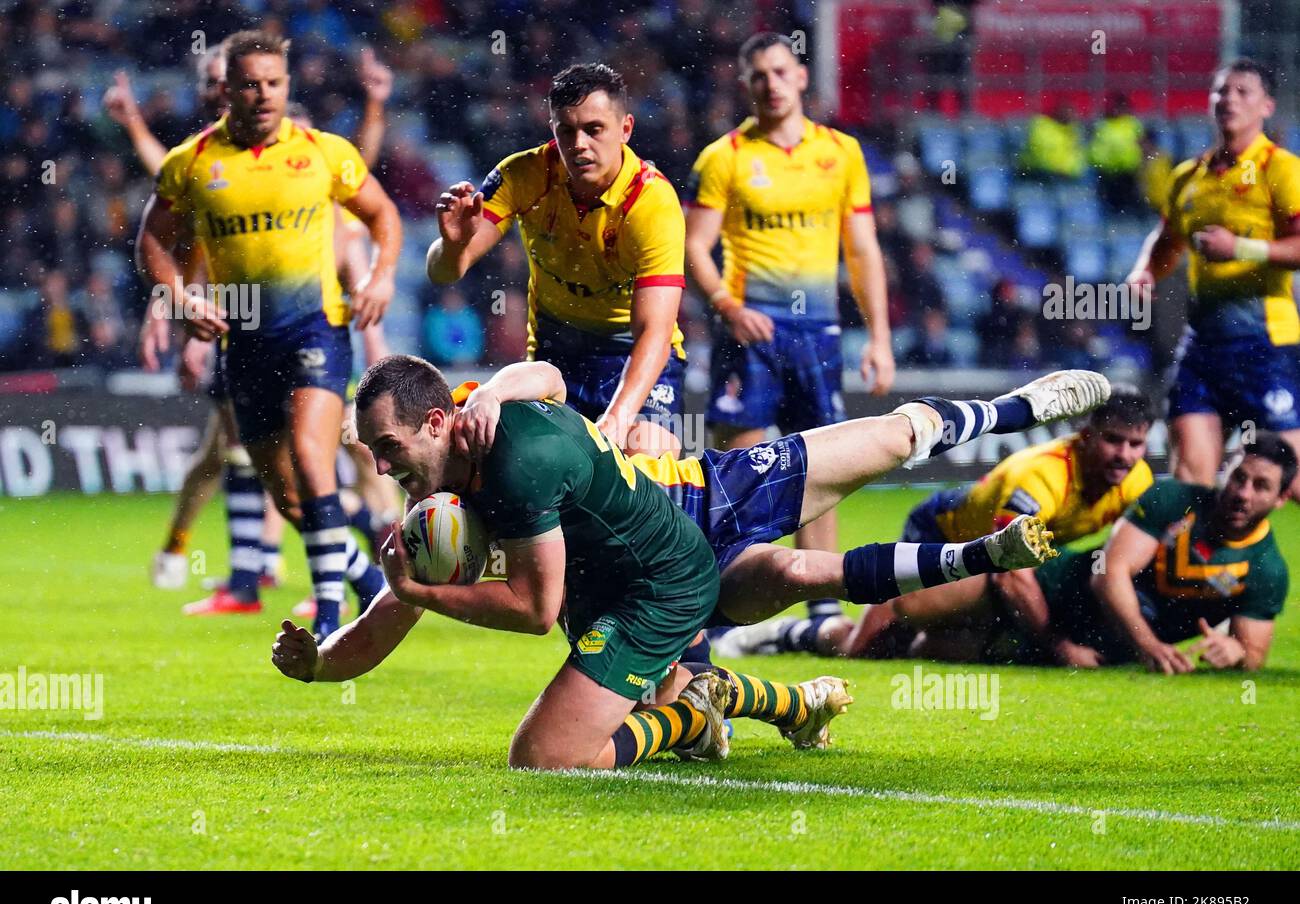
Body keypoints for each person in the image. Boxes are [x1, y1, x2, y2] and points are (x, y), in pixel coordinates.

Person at [274, 355, 857, 769]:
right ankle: (794, 703)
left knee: (549, 756)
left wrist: (493, 392)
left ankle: (698, 720)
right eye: (372, 451)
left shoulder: (503, 448)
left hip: (653, 579)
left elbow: (532, 609)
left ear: (435, 424)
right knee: (662, 694)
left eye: (387, 447)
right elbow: (386, 614)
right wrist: (319, 664)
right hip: (600, 588)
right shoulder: (433, 498)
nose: (378, 468)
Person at [447, 362, 1112, 631]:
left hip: (716, 496)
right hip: (646, 587)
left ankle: (1013, 409)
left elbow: (547, 377)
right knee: (798, 573)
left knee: (892, 437)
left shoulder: (477, 423)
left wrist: (489, 392)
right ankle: (973, 557)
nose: (392, 468)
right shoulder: (445, 513)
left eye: (390, 449)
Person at [135, 30, 401, 639]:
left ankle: (331, 623)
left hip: (316, 329)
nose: (263, 95)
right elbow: (152, 238)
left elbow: (382, 213)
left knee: (314, 460)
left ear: (288, 86)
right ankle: (366, 578)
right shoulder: (195, 162)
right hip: (244, 339)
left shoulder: (321, 152)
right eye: (250, 84)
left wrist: (382, 278)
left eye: (274, 83)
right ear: (226, 88)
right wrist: (178, 299)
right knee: (284, 494)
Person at [684, 31, 895, 628]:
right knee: (738, 470)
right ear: (746, 85)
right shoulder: (722, 157)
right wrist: (726, 305)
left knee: (822, 463)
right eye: (758, 76)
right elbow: (693, 246)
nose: (771, 84)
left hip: (819, 333)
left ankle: (823, 605)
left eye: (780, 72)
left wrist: (878, 336)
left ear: (801, 77)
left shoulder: (841, 154)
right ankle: (713, 605)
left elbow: (862, 250)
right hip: (749, 331)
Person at [715, 384, 1154, 658]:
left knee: (944, 648)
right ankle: (791, 634)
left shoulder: (1138, 480)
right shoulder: (1039, 476)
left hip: (992, 562)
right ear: (1086, 433)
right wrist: (1059, 647)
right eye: (1113, 440)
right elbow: (1010, 573)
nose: (1125, 455)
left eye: (1136, 444)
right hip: (943, 534)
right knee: (867, 649)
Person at [426, 62, 686, 457]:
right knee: (525, 470)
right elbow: (443, 273)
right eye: (567, 130)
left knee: (646, 457)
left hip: (631, 351)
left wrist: (617, 418)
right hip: (555, 353)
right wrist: (454, 245)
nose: (579, 143)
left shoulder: (652, 202)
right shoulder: (522, 175)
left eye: (594, 129)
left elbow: (655, 329)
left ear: (626, 129)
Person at [886, 436, 1292, 672]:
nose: (1242, 492)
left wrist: (1236, 652)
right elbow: (1108, 574)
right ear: (1226, 471)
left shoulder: (1268, 569)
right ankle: (830, 628)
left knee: (923, 650)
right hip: (1053, 589)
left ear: (1280, 499)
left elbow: (1253, 652)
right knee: (905, 606)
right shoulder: (1174, 499)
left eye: (1260, 486)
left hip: (1095, 647)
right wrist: (1149, 647)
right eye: (1238, 477)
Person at [1127, 59, 1300, 501]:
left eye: (1243, 91)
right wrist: (1145, 269)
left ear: (1266, 106)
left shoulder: (1280, 169)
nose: (1229, 99)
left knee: (1293, 477)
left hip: (1265, 343)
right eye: (1221, 90)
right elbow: (1167, 240)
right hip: (1202, 346)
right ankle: (1196, 570)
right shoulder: (1188, 176)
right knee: (1191, 482)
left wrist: (1240, 249)